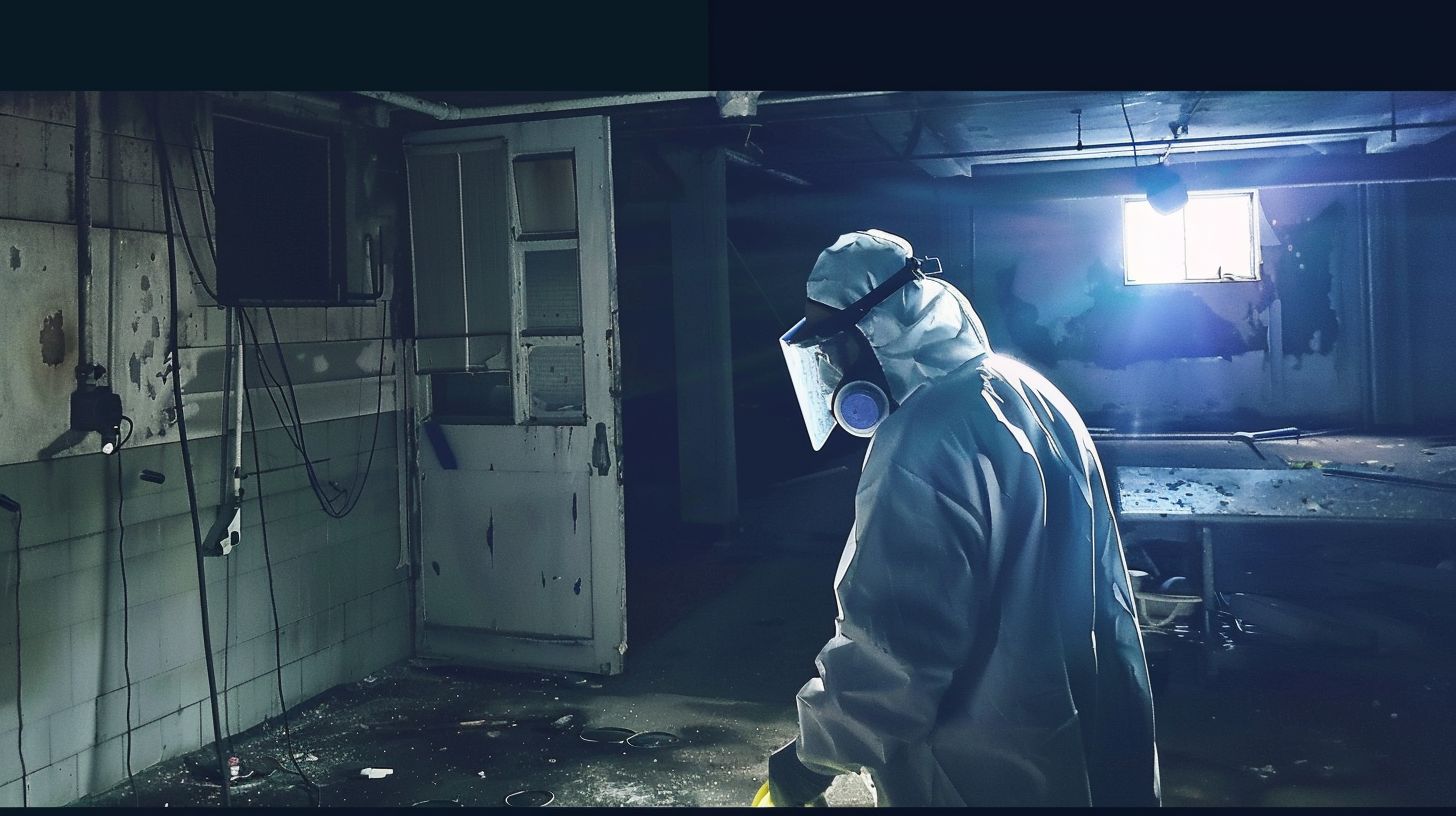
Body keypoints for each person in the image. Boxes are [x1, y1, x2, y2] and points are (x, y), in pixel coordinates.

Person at [764, 230, 1160, 807]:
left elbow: (896, 648)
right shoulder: (1025, 390)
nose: (829, 367)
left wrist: (815, 755)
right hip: (1087, 728)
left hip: (986, 761)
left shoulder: (922, 439)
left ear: (880, 333)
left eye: (834, 345)